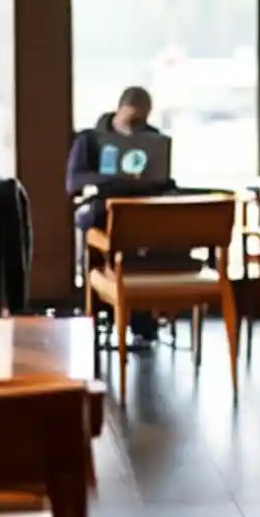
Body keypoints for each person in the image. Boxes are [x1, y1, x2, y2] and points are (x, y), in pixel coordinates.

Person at [68, 86, 170, 346]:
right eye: (133, 120)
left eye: (143, 121)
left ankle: (141, 317)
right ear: (120, 110)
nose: (137, 128)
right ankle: (106, 311)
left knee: (148, 241)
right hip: (103, 212)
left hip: (141, 215)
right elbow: (73, 181)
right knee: (108, 235)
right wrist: (111, 180)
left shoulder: (152, 140)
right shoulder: (90, 140)